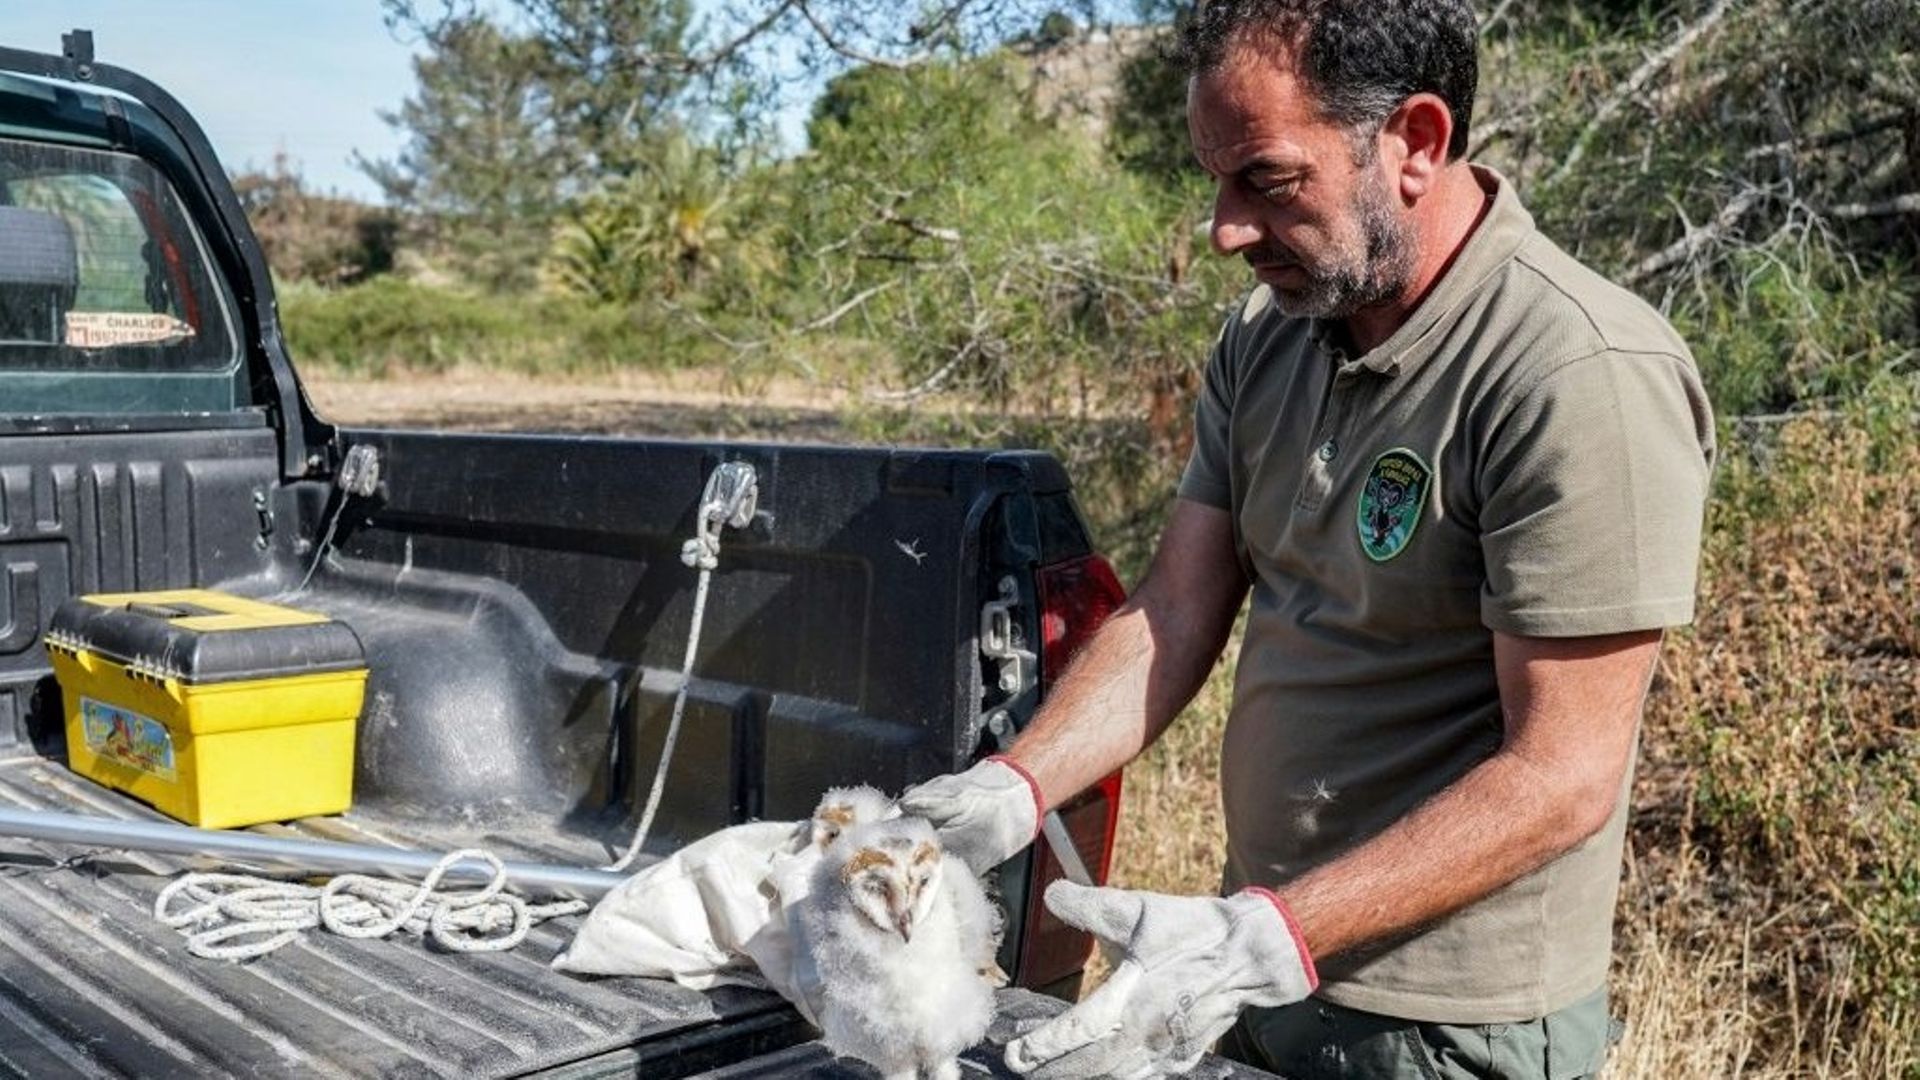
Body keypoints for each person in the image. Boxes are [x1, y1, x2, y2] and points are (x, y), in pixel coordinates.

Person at [898, 1, 1717, 1077]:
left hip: (1446, 1026)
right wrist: (1016, 784)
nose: (1225, 231)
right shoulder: (1271, 332)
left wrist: (1264, 939)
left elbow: (1561, 775)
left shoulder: (1575, 375)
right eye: (1216, 182)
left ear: (1415, 142)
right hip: (1266, 967)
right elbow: (1179, 608)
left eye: (1268, 181)